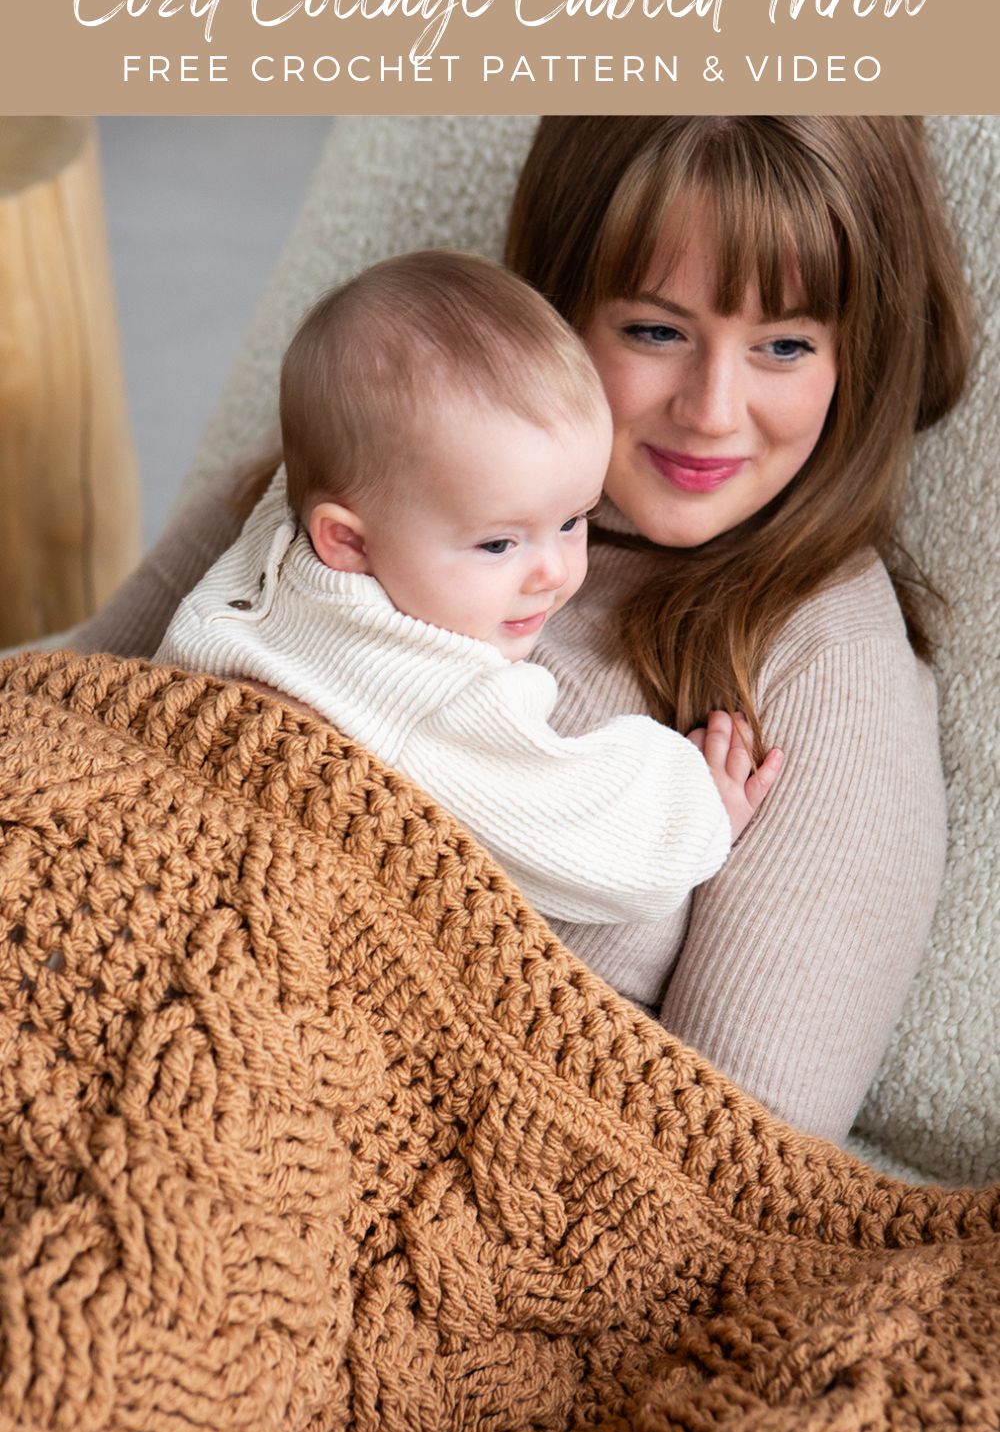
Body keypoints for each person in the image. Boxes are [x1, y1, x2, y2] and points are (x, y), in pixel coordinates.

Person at [70, 117, 973, 1144]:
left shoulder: (824, 656)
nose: (714, 411)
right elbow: (88, 702)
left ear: (859, 350)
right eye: (656, 331)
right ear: (560, 303)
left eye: (783, 344)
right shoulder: (391, 450)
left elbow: (730, 1162)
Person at [155, 250, 781, 927]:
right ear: (348, 542)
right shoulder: (436, 697)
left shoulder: (277, 534)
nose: (553, 572)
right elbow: (594, 842)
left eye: (574, 521)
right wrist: (697, 806)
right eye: (498, 544)